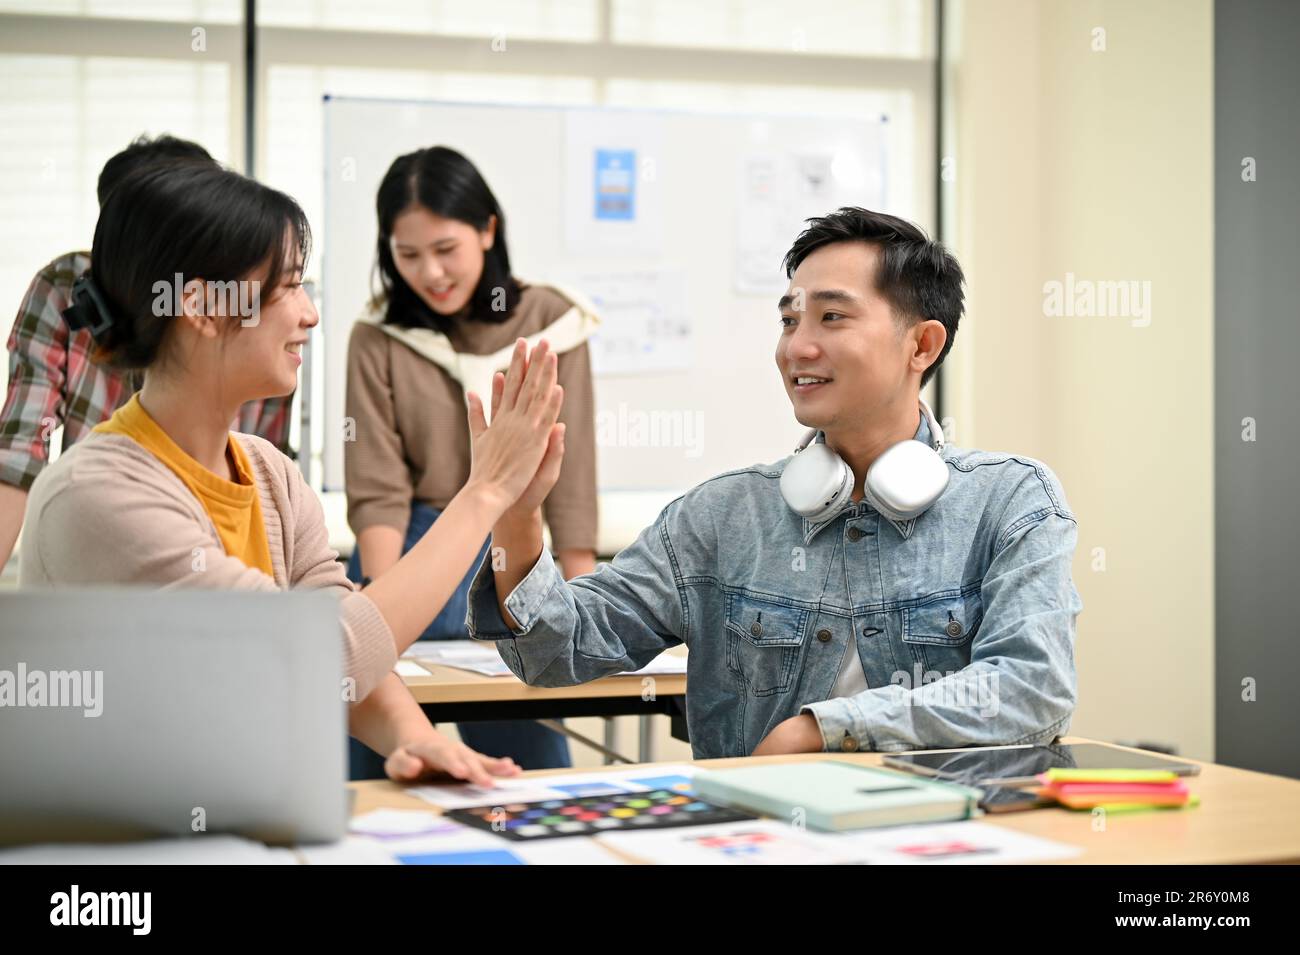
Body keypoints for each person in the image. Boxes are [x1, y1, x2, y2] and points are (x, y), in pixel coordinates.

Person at [20, 159, 567, 784]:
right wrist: (486, 492)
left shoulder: (270, 474)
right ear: (203, 308)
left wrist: (414, 739)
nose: (309, 314)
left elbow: (343, 653)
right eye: (288, 287)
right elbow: (321, 650)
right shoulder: (96, 495)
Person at [468, 207, 1083, 758]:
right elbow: (555, 653)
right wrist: (515, 515)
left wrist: (822, 730)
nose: (798, 347)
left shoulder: (1010, 502)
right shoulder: (722, 516)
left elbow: (1031, 687)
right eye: (790, 321)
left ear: (922, 344)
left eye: (832, 317)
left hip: (948, 838)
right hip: (760, 839)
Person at [344, 146, 600, 773]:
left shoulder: (550, 321)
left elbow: (571, 474)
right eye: (407, 255)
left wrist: (582, 602)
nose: (430, 273)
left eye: (445, 248)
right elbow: (377, 486)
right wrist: (381, 611)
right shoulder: (378, 334)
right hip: (411, 548)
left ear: (488, 230)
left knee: (525, 761)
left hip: (513, 545)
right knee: (378, 751)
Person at [0, 135, 293, 570]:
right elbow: (21, 448)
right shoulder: (64, 288)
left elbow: (266, 497)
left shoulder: (257, 314)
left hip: (220, 564)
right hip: (104, 543)